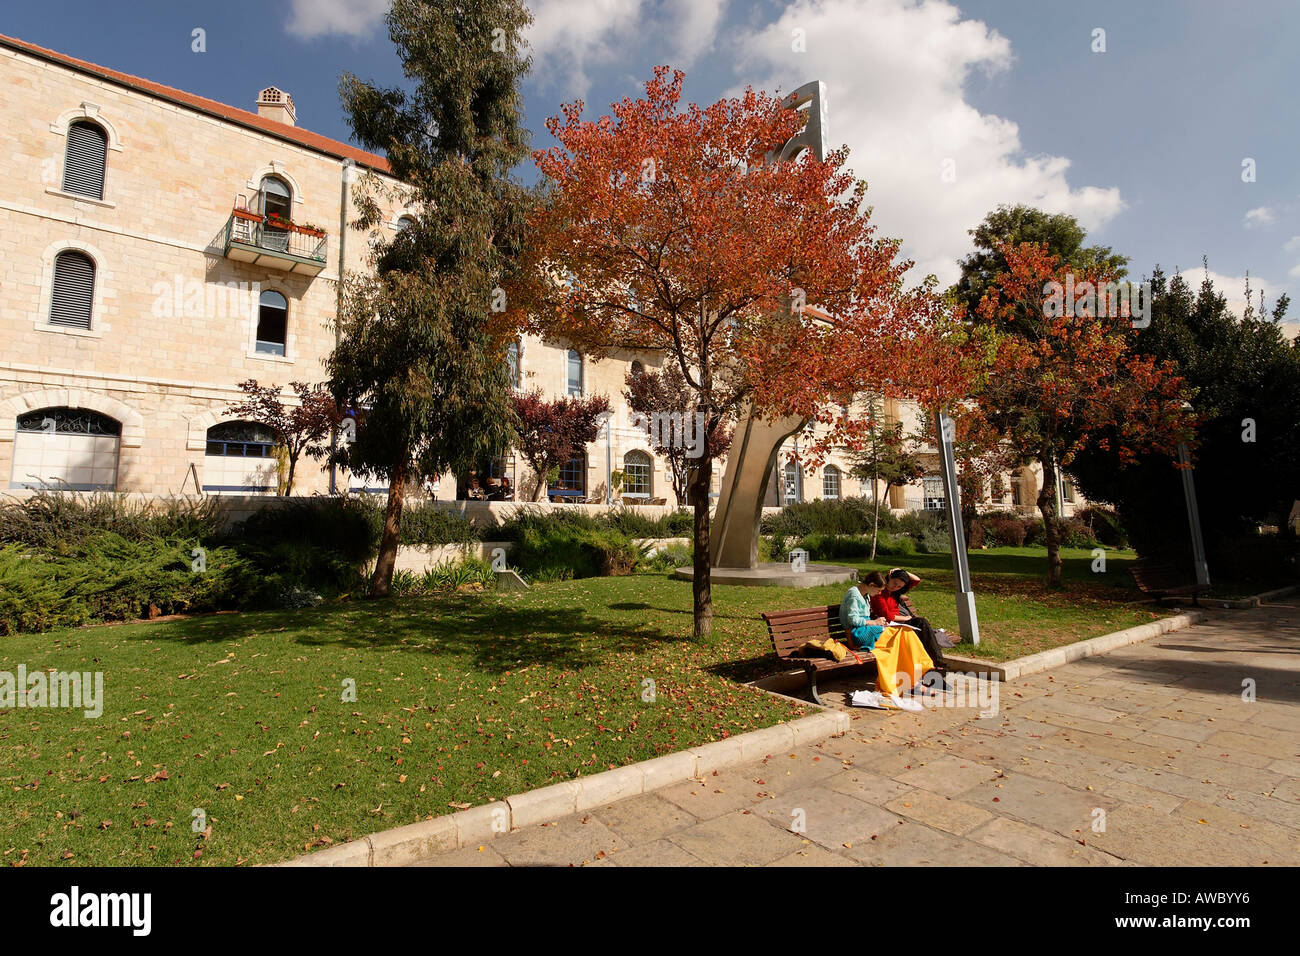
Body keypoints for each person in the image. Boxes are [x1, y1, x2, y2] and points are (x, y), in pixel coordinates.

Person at [840, 572, 937, 698]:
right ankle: (911, 682)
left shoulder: (865, 594)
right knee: (897, 640)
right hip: (857, 635)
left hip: (867, 630)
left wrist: (878, 623)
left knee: (906, 633)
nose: (879, 593)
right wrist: (874, 622)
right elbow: (853, 621)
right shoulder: (854, 595)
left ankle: (915, 679)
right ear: (871, 585)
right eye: (878, 590)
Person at [871, 569, 952, 690]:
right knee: (922, 623)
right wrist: (906, 618)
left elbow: (916, 580)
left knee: (923, 634)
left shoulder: (894, 593)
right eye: (894, 583)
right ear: (889, 577)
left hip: (901, 624)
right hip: (890, 626)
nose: (895, 587)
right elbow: (887, 615)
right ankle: (937, 666)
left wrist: (904, 572)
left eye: (899, 586)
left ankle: (934, 671)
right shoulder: (879, 592)